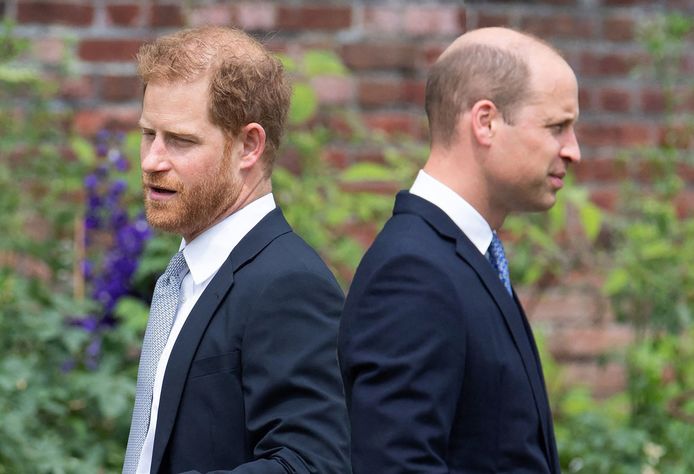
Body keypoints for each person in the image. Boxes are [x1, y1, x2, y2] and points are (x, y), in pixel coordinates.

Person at [339, 26, 581, 473]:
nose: (574, 151)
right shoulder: (413, 273)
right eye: (557, 127)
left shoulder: (465, 258)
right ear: (485, 122)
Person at [122, 26, 350, 474]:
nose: (152, 160)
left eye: (181, 140)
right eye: (149, 134)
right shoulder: (185, 277)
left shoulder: (288, 284)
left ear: (249, 145)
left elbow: (313, 463)